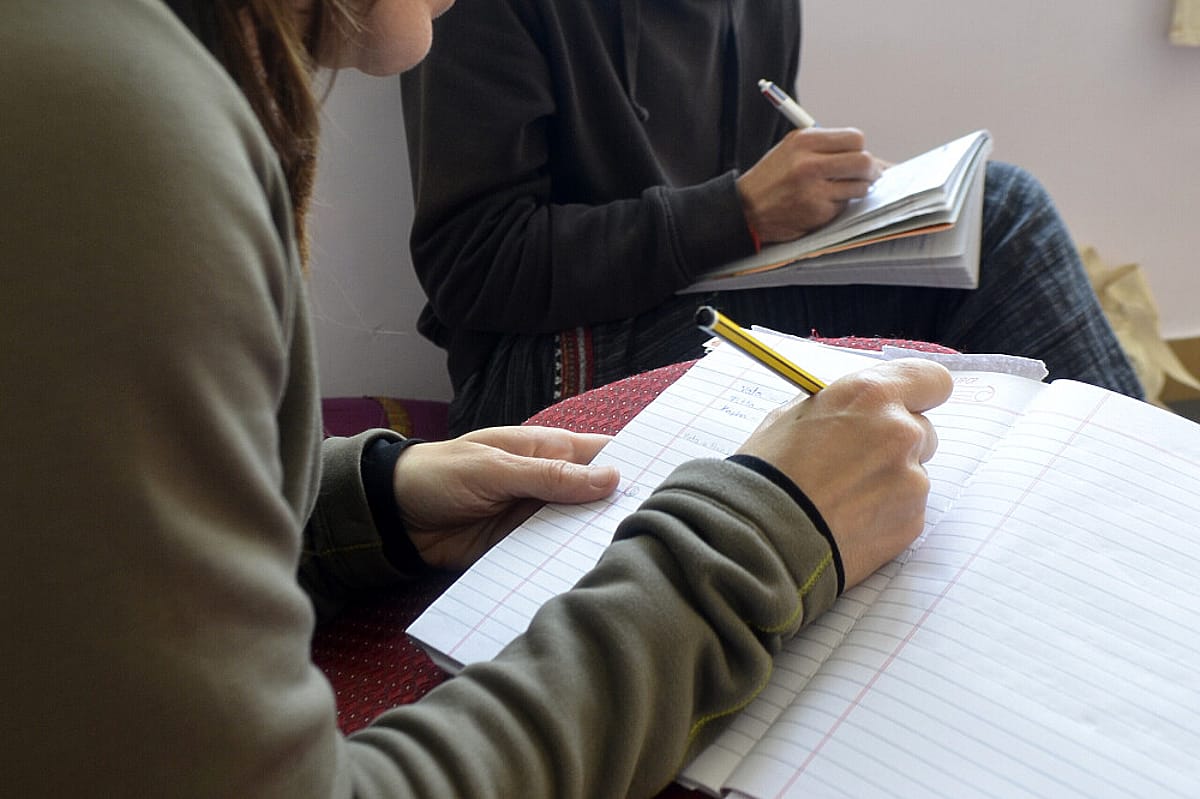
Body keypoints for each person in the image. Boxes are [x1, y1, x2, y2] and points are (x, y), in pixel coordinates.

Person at [1, 1, 956, 796]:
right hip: (562, 333)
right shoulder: (111, 121)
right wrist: (759, 539)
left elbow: (74, 529)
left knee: (1015, 215)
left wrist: (361, 504)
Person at [400, 0, 1144, 436]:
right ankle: (1152, 512)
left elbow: (747, 220)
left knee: (975, 220)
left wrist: (847, 212)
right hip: (541, 362)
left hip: (701, 292)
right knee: (1005, 213)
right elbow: (475, 267)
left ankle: (1116, 520)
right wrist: (740, 209)